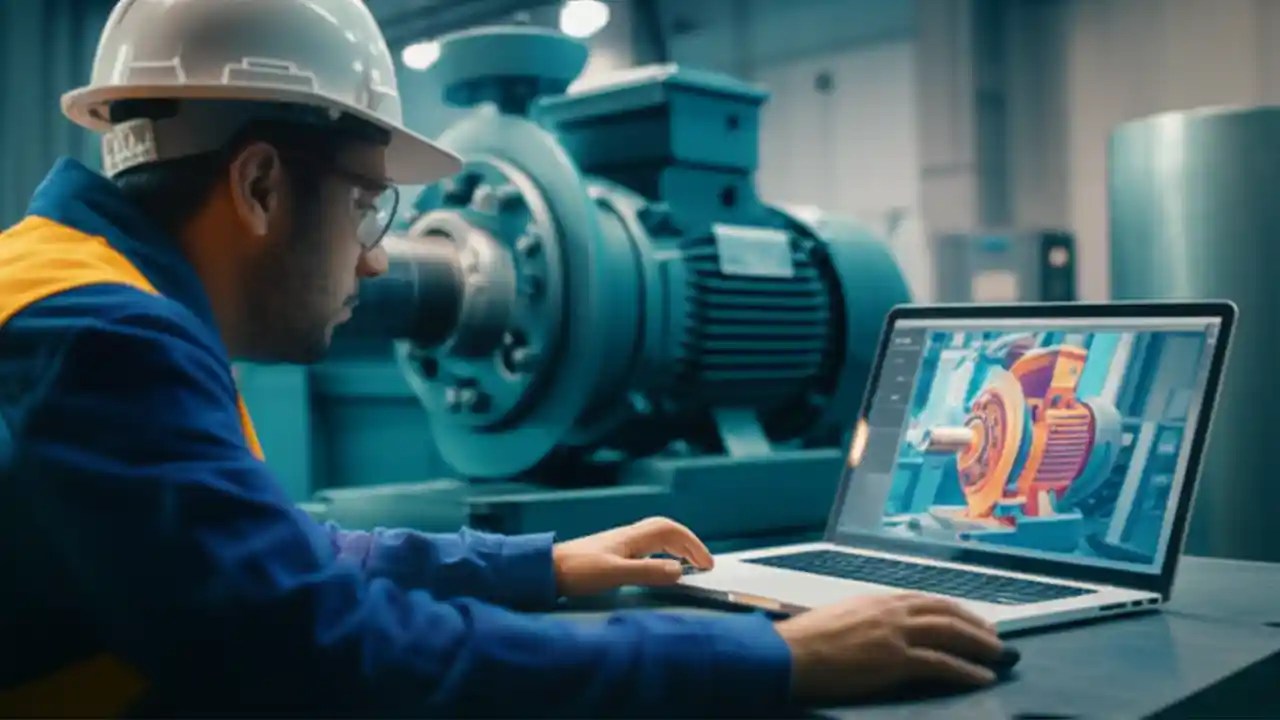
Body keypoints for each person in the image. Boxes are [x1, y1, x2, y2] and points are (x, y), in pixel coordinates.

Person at [0, 0, 1005, 716]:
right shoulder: (103, 336)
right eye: (363, 202)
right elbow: (314, 648)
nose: (380, 252)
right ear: (259, 186)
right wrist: (764, 656)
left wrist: (550, 565)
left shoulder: (73, 286)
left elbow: (285, 558)